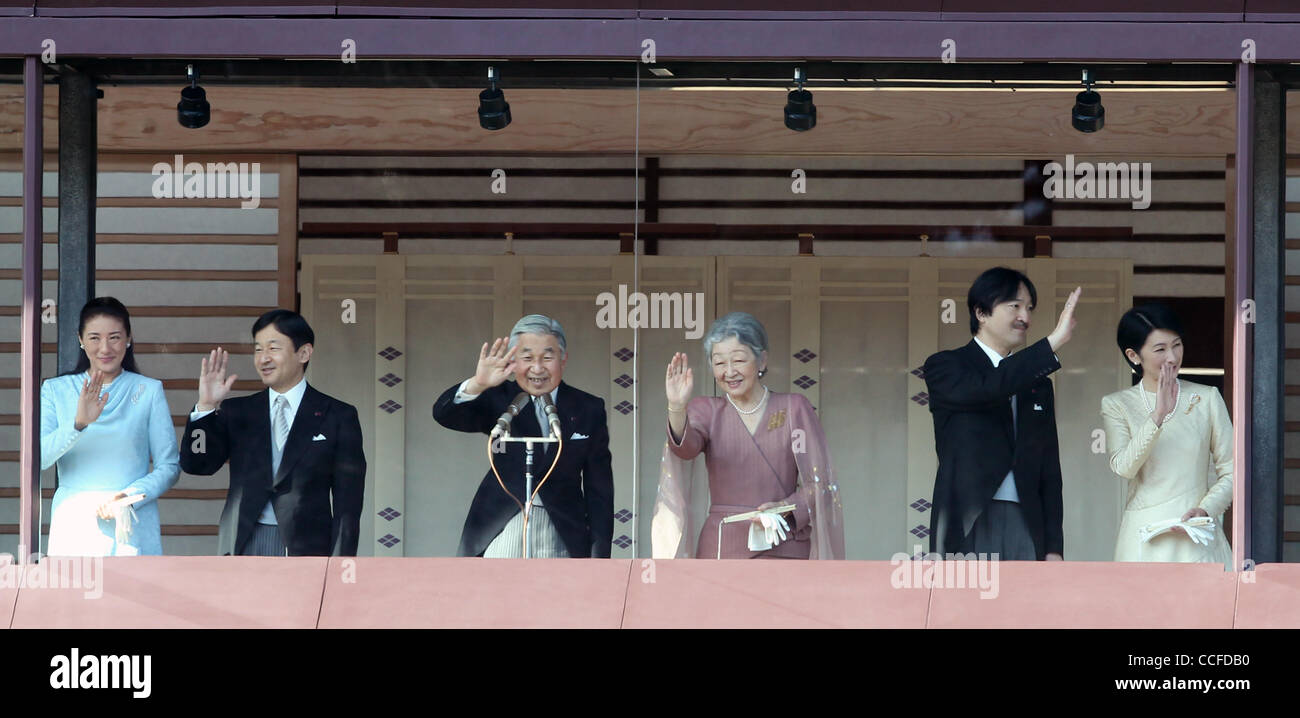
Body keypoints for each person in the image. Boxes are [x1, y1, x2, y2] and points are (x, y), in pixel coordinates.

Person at [652, 311, 845, 560]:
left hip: (781, 541)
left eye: (739, 360)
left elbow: (821, 483)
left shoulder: (794, 408)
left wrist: (786, 508)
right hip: (723, 546)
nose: (729, 371)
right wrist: (677, 407)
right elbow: (684, 448)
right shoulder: (707, 410)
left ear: (762, 360)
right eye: (720, 363)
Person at [923, 267, 1081, 561]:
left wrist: (1053, 547)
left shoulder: (1038, 384)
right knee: (968, 607)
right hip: (969, 518)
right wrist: (1051, 344)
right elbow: (986, 388)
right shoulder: (946, 366)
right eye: (1015, 306)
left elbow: (1049, 469)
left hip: (1027, 519)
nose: (1025, 317)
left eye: (1029, 308)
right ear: (981, 312)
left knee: (1024, 606)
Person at [179, 309, 366, 556]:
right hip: (243, 542)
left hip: (307, 547)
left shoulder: (338, 415)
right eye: (258, 349)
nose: (263, 358)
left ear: (304, 353)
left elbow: (348, 504)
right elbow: (197, 464)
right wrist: (205, 408)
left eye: (273, 348)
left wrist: (341, 563)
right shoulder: (239, 411)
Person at [433, 314, 614, 558]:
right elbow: (445, 414)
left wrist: (599, 556)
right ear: (513, 361)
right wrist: (478, 383)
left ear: (564, 359)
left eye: (547, 358)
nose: (537, 368)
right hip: (501, 526)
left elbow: (599, 489)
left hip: (563, 531)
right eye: (527, 358)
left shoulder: (587, 407)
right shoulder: (500, 398)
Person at [40, 297, 179, 556]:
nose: (105, 348)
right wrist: (78, 425)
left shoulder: (148, 390)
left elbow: (169, 466)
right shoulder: (56, 390)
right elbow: (40, 458)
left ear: (128, 339)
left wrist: (129, 496)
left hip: (131, 520)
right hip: (75, 521)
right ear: (80, 340)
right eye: (94, 338)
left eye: (114, 337)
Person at [1101, 303, 1232, 564]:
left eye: (1177, 345)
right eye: (1160, 349)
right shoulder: (1117, 404)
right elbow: (1123, 467)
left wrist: (1206, 509)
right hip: (1143, 538)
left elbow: (1232, 469)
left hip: (1196, 534)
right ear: (1134, 355)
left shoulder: (1206, 398)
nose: (1172, 357)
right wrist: (1158, 416)